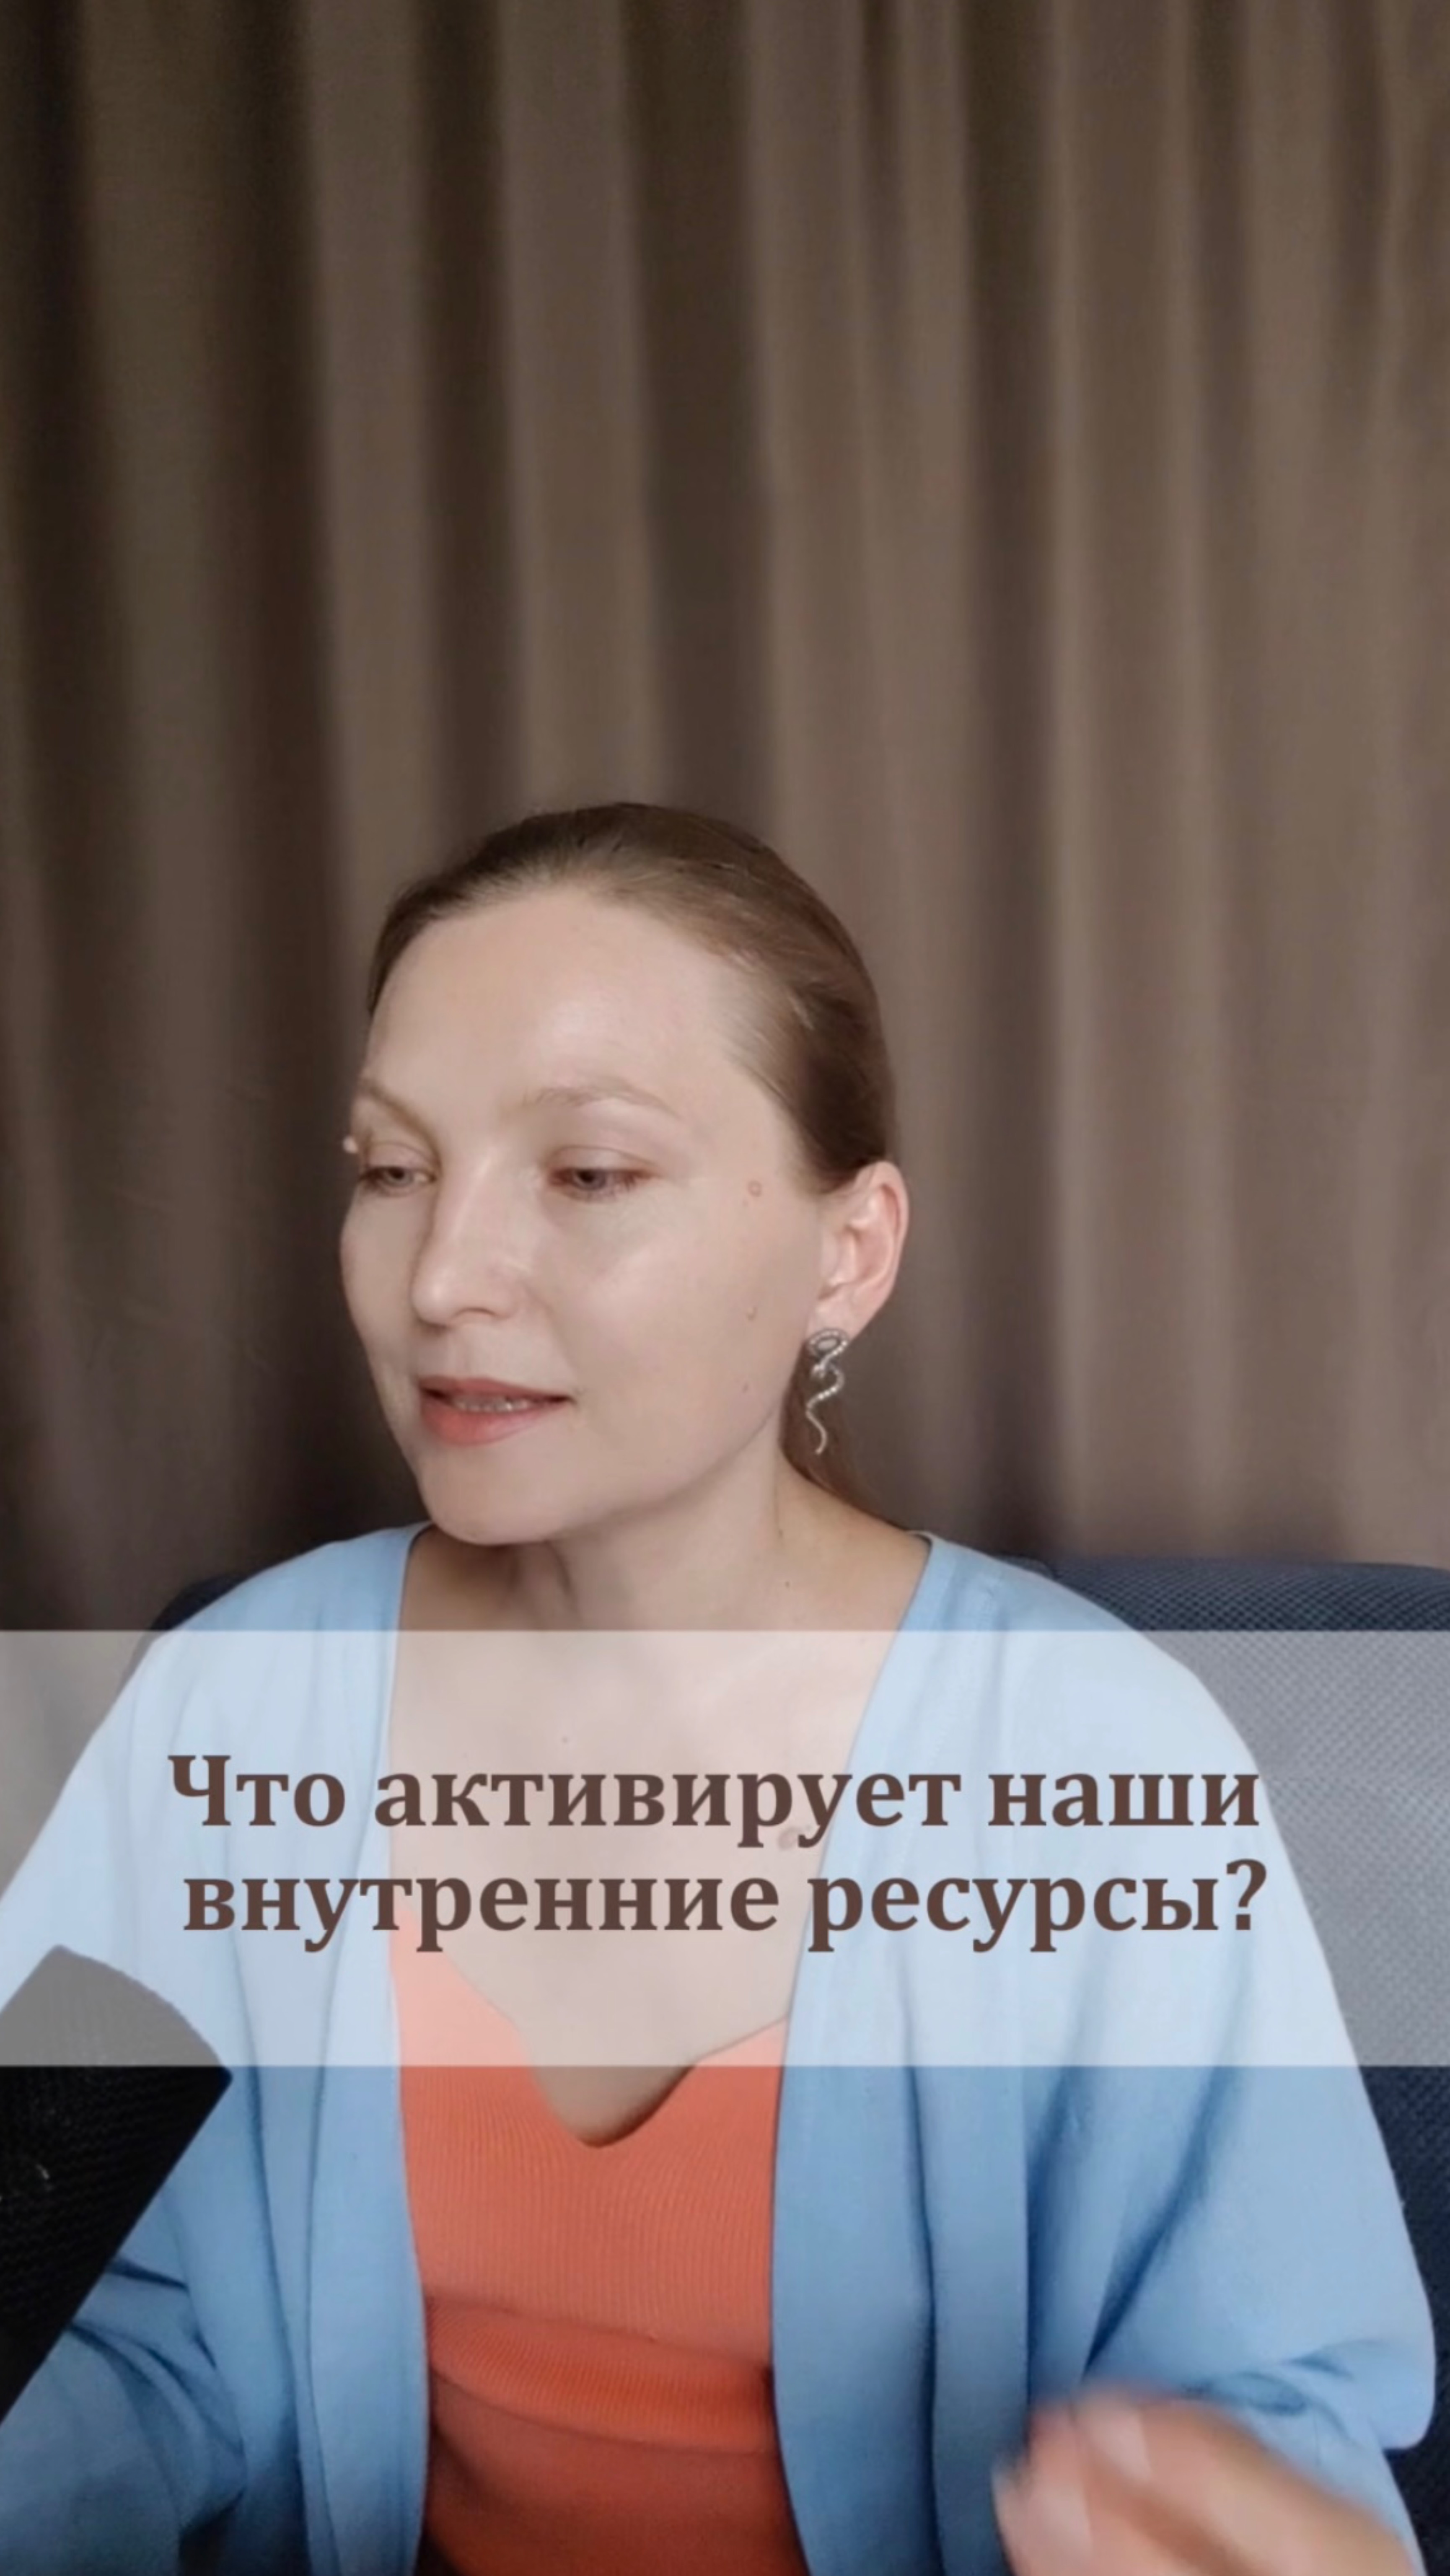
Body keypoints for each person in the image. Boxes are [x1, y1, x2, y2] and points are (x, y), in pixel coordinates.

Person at [0, 803, 1432, 2576]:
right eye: (389, 1169)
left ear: (850, 1250)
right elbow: (118, 2334)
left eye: (590, 1175)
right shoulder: (229, 1710)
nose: (440, 1279)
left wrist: (1233, 2522)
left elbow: (1267, 2413)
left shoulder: (1096, 1756)